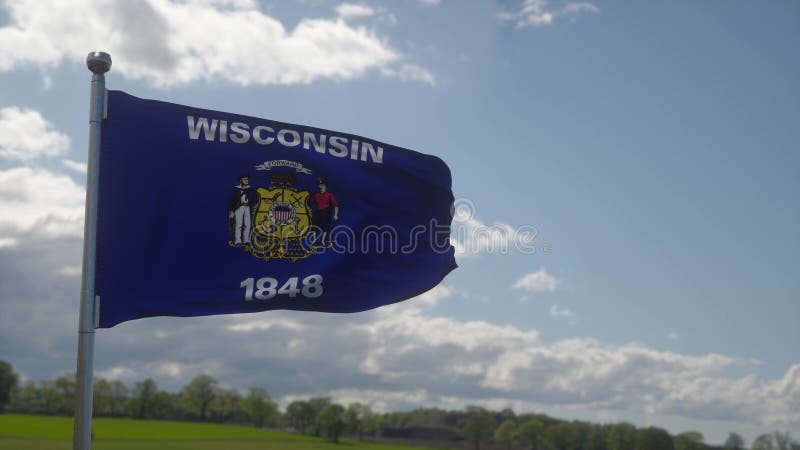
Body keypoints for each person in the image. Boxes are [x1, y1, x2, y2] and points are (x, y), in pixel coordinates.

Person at [310, 178, 339, 245]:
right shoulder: (315, 194)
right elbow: (310, 203)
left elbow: (335, 205)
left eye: (322, 185)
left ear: (325, 186)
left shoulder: (329, 195)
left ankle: (323, 241)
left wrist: (335, 215)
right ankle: (314, 240)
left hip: (326, 213)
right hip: (317, 212)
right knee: (314, 226)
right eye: (319, 185)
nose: (320, 186)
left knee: (325, 227)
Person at [229, 174, 255, 245]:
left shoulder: (250, 189)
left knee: (248, 224)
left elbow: (254, 199)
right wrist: (231, 210)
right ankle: (238, 241)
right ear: (241, 180)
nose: (246, 181)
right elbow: (232, 201)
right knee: (238, 224)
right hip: (239, 208)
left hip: (248, 208)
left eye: (247, 179)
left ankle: (246, 240)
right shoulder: (236, 189)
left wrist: (251, 204)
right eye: (245, 179)